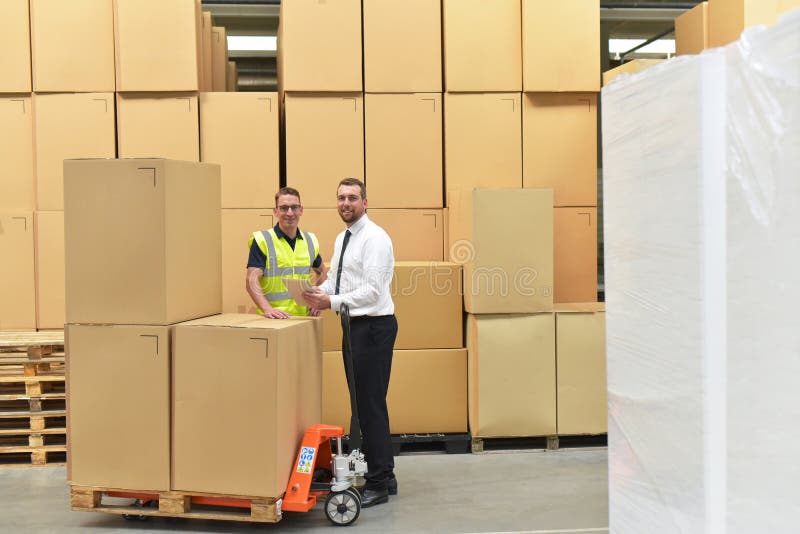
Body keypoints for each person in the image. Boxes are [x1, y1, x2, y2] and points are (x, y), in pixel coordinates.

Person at [303, 178, 398, 508]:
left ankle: (377, 483)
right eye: (341, 198)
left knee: (369, 405)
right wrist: (319, 293)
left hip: (373, 326)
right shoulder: (345, 237)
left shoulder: (375, 239)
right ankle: (386, 474)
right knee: (365, 404)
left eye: (353, 198)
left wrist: (330, 302)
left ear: (365, 202)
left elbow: (372, 292)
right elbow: (338, 279)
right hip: (354, 326)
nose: (346, 203)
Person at [246, 187, 327, 319]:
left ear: (301, 210)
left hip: (304, 318)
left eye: (294, 207)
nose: (290, 213)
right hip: (274, 319)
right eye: (284, 208)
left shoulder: (310, 240)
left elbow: (322, 272)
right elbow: (251, 280)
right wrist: (268, 309)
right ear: (276, 211)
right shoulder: (263, 240)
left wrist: (318, 301)